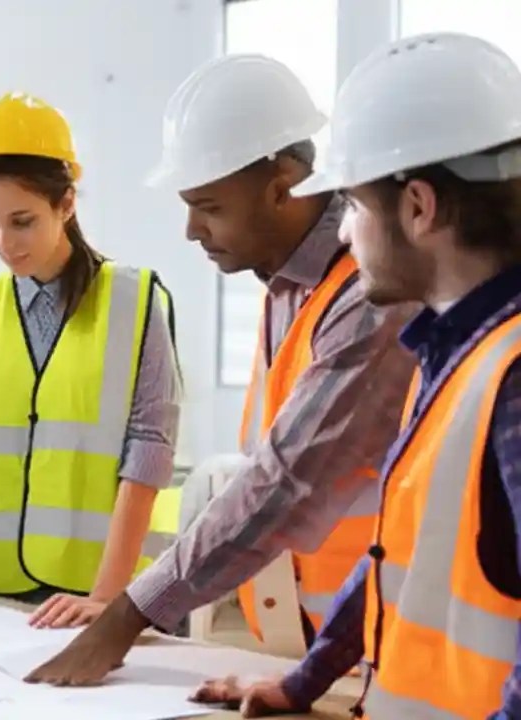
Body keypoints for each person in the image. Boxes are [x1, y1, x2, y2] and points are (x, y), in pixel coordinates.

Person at [25, 55, 418, 684]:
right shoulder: (286, 286)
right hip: (328, 652)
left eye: (208, 206)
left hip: (394, 657)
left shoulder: (369, 301)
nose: (190, 229)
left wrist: (125, 619)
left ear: (283, 186)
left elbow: (283, 481)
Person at [193, 32, 521, 719]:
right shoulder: (454, 355)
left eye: (357, 208)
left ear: (420, 208)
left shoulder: (511, 377)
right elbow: (397, 563)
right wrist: (302, 682)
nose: (344, 234)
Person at [0, 91, 183, 621]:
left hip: (97, 595)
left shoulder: (135, 301)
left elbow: (148, 455)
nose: (5, 242)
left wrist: (106, 599)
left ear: (67, 203)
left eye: (22, 221)